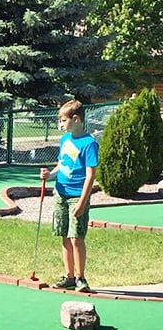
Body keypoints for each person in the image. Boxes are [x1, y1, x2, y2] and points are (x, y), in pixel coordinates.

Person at [40, 99, 99, 292]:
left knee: (76, 237)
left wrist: (82, 202)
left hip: (76, 196)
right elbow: (62, 164)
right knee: (64, 235)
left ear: (76, 119)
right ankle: (69, 276)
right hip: (61, 193)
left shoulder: (89, 144)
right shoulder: (65, 140)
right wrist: (50, 175)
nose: (61, 124)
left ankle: (81, 278)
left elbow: (90, 175)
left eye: (63, 120)